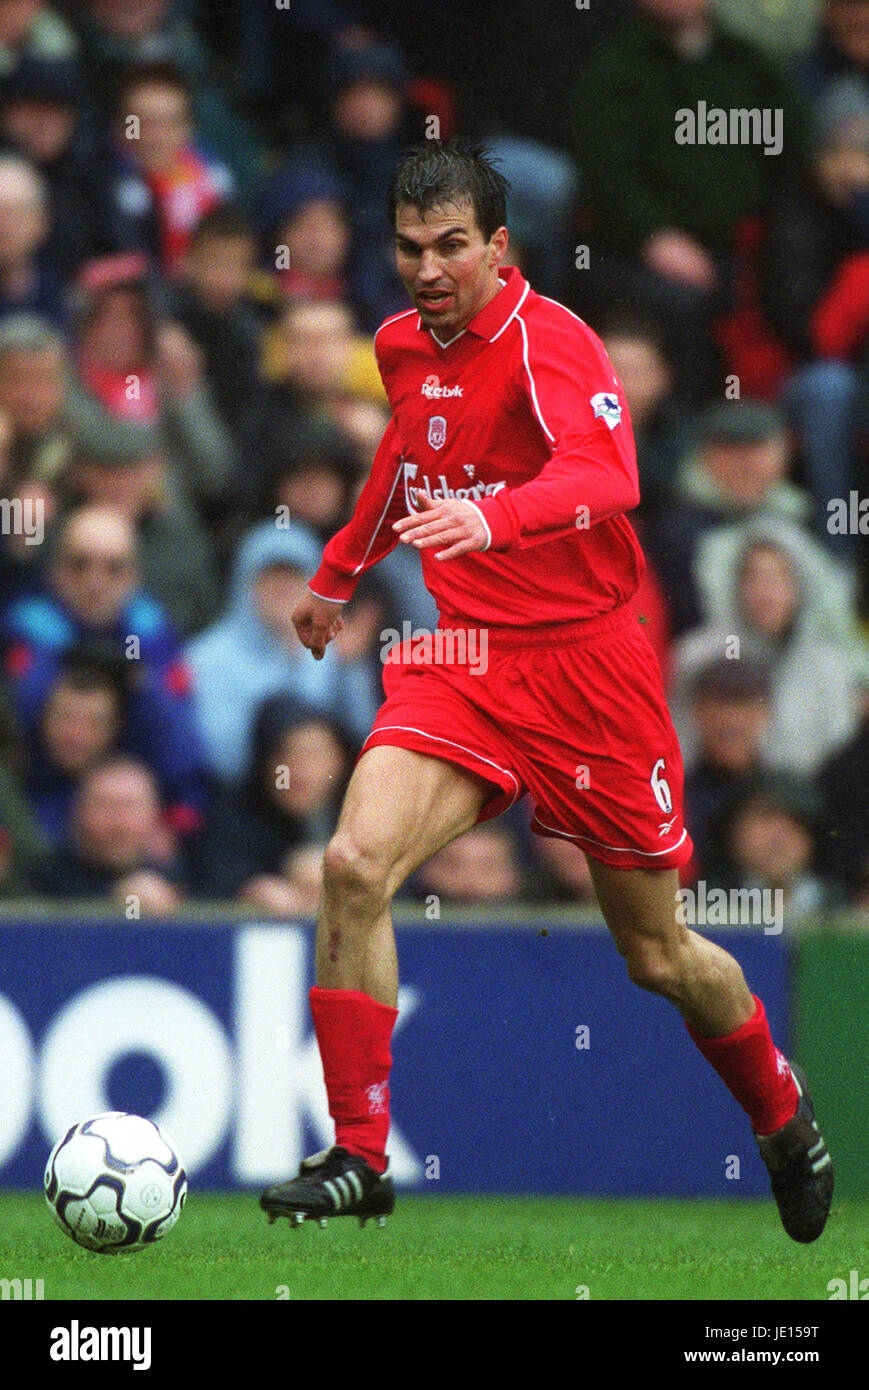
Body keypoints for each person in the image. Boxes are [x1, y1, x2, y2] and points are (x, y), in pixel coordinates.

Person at [259, 140, 834, 1244]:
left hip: (587, 670)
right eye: (409, 248)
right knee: (350, 863)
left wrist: (495, 515)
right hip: (464, 657)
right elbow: (405, 455)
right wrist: (338, 568)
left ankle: (778, 1113)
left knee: (654, 952)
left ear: (497, 246)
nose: (427, 269)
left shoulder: (550, 341)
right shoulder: (396, 346)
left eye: (450, 247)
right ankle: (359, 1153)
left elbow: (605, 474)